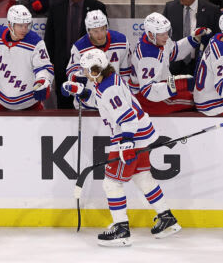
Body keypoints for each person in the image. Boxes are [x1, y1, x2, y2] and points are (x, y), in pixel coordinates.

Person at [62, 48, 182, 247]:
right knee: (143, 178)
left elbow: (127, 117)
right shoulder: (109, 81)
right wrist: (81, 92)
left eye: (87, 70)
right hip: (142, 135)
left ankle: (121, 230)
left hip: (131, 138)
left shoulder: (109, 88)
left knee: (111, 184)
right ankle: (167, 219)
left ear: (96, 70)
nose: (85, 74)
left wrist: (126, 144)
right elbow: (102, 101)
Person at [45, 0, 107, 109]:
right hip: (62, 69)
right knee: (64, 107)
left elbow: (103, 38)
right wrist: (51, 66)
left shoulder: (97, 7)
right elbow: (49, 40)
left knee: (91, 105)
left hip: (90, 70)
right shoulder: (56, 7)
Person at [0, 4, 53, 110]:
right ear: (10, 25)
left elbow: (44, 67)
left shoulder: (35, 42)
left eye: (27, 25)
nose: (25, 29)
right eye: (20, 26)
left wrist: (42, 80)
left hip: (29, 102)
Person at [131, 12, 210, 115]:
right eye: (162, 34)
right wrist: (181, 84)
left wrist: (193, 39)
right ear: (150, 34)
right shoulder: (148, 56)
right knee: (198, 100)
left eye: (167, 32)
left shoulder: (155, 39)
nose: (166, 37)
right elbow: (149, 91)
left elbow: (173, 52)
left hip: (160, 88)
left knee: (197, 93)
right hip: (147, 100)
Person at [63, 9, 133, 110]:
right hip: (88, 104)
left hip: (115, 103)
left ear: (107, 27)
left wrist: (125, 95)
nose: (100, 34)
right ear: (88, 31)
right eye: (95, 31)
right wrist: (77, 78)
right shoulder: (79, 47)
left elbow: (126, 73)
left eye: (103, 29)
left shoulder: (121, 41)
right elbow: (72, 73)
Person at [162, 0, 221, 78]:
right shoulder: (170, 8)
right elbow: (163, 35)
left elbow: (218, 38)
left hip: (202, 66)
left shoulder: (212, 10)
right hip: (174, 66)